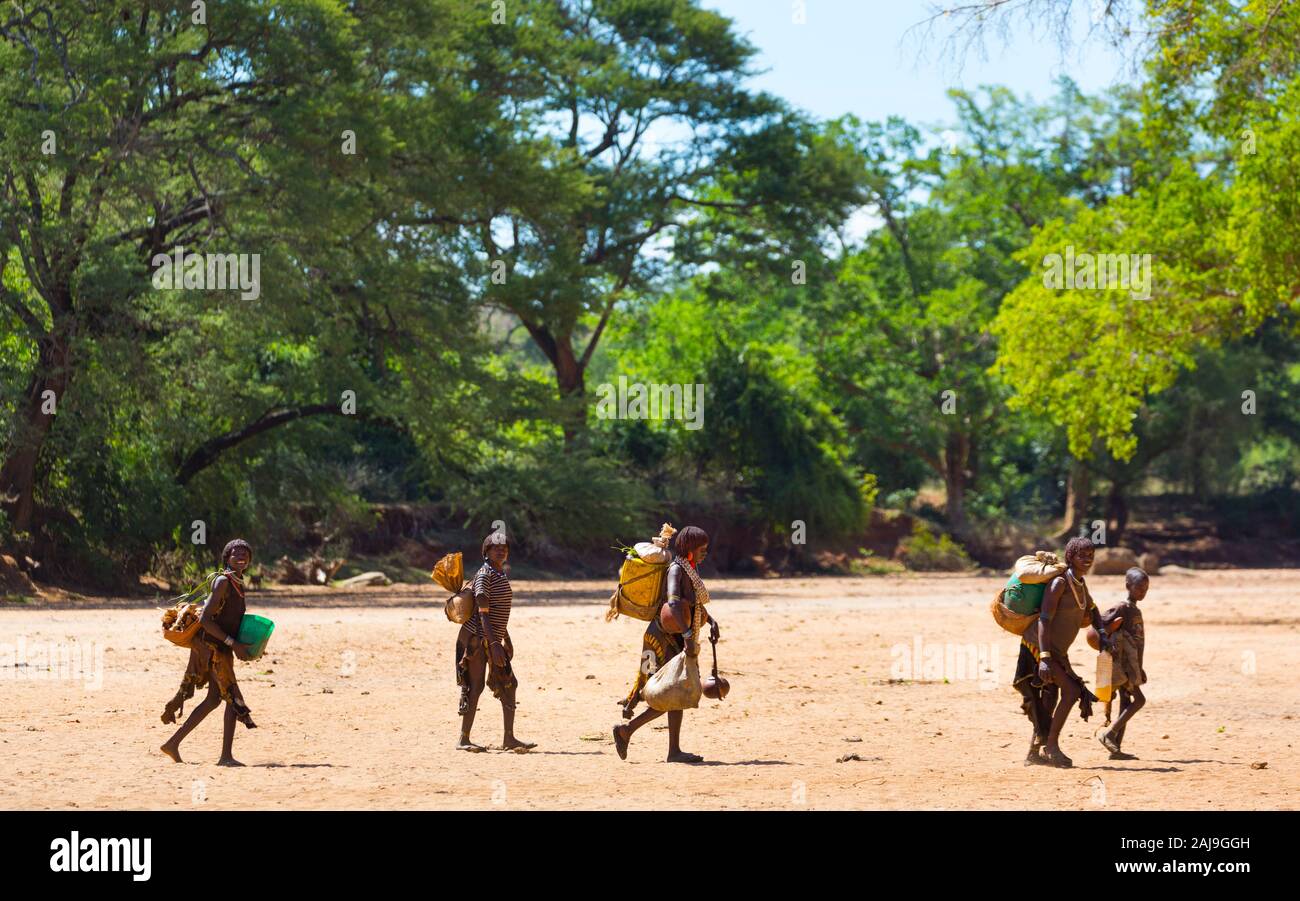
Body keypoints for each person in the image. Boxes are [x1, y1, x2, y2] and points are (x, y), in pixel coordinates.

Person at [612, 525, 720, 764]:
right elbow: (673, 603)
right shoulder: (676, 570)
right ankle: (626, 730)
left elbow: (692, 604)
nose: (704, 552)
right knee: (672, 692)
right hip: (664, 637)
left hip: (679, 635)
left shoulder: (689, 569)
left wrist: (710, 621)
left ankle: (673, 751)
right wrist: (689, 630)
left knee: (677, 692)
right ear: (689, 548)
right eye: (701, 548)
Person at [1012, 536, 1108, 768]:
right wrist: (1044, 658)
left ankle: (1034, 752)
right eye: (1081, 555)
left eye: (1090, 556)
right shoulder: (1060, 584)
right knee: (1072, 690)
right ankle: (1051, 746)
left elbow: (1093, 609)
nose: (1087, 560)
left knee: (1049, 698)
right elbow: (1044, 619)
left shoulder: (1080, 584)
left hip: (1057, 651)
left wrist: (1102, 632)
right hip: (1039, 647)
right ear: (1070, 557)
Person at [160, 539, 257, 765]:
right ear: (226, 557)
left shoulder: (237, 582)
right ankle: (225, 757)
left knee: (215, 699)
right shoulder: (223, 581)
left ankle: (172, 744)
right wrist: (233, 644)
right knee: (233, 698)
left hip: (219, 645)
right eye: (236, 553)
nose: (241, 556)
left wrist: (247, 646)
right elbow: (205, 620)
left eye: (245, 553)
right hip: (211, 646)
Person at [455, 531, 536, 752]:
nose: (501, 550)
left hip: (492, 638)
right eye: (495, 547)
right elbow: (483, 614)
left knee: (509, 684)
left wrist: (505, 639)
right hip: (477, 640)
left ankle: (509, 739)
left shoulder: (499, 574)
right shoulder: (485, 575)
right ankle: (463, 740)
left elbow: (498, 612)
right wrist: (493, 644)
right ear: (486, 552)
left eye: (504, 548)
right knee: (475, 686)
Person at [1097, 567, 1148, 760]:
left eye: (1145, 589)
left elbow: (1138, 642)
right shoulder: (1122, 608)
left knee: (1126, 702)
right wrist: (1109, 641)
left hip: (1132, 665)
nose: (1142, 592)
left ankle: (1115, 749)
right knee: (1139, 700)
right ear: (1128, 586)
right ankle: (1109, 734)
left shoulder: (1135, 610)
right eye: (1139, 588)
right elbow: (1099, 626)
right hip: (1122, 665)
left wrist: (1140, 668)